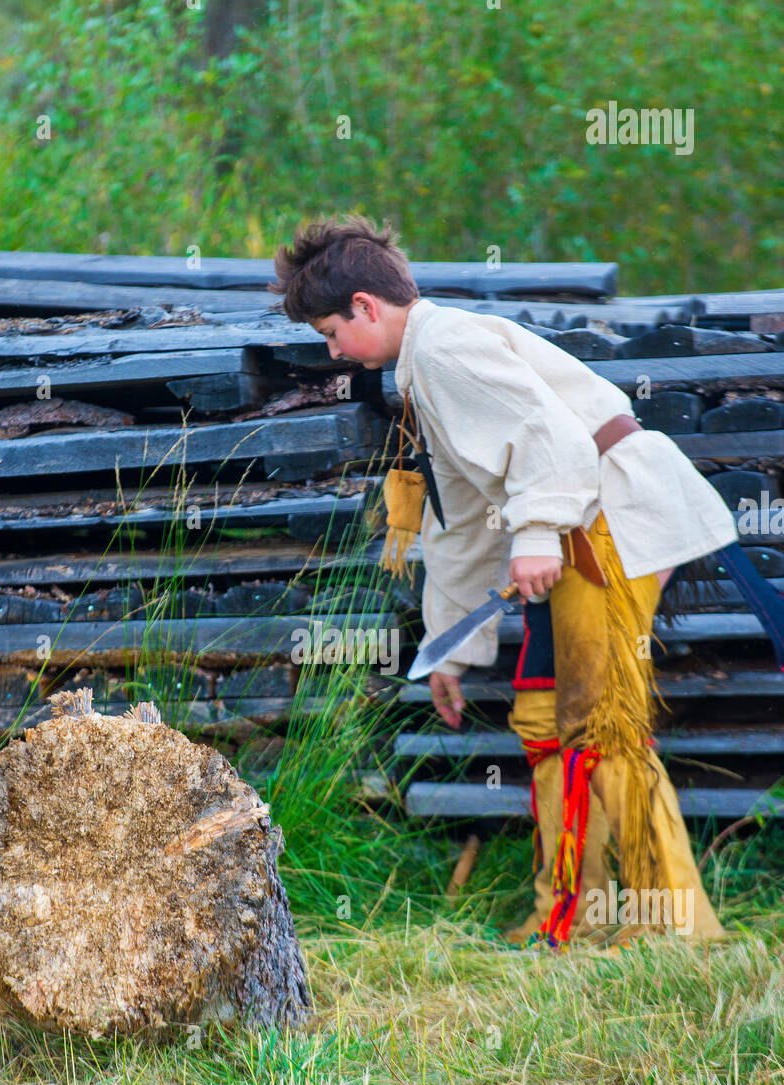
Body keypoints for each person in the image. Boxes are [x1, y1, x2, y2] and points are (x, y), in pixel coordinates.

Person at [269, 214, 742, 948]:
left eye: (332, 331)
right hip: (581, 525)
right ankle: (574, 914)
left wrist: (534, 532)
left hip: (608, 520)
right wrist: (450, 650)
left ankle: (673, 929)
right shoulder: (423, 367)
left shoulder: (448, 346)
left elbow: (546, 439)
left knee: (603, 725)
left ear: (366, 305)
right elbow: (458, 524)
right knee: (548, 722)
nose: (333, 351)